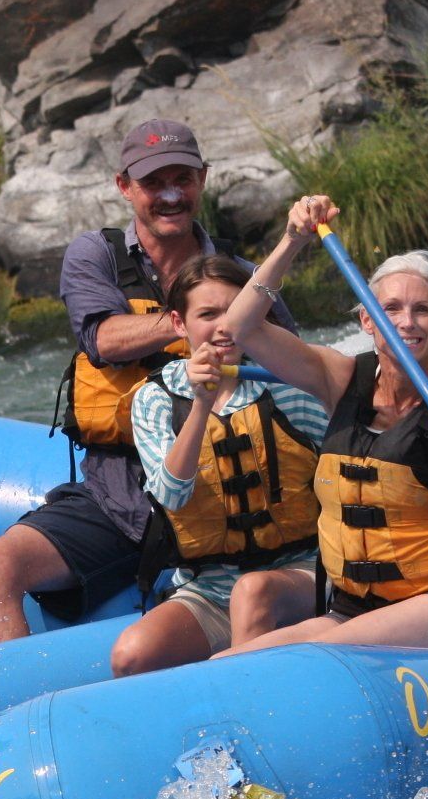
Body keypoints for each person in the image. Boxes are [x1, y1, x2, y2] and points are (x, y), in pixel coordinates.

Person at [0, 117, 302, 645]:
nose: (170, 195)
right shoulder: (95, 255)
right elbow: (102, 339)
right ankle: (7, 719)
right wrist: (203, 320)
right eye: (153, 182)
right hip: (119, 494)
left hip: (221, 493)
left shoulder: (242, 275)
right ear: (124, 186)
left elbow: (296, 371)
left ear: (203, 179)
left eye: (183, 179)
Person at [216, 195, 428, 655]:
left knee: (319, 654)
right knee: (225, 662)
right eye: (392, 309)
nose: (408, 322)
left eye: (422, 310)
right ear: (367, 319)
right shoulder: (340, 379)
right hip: (355, 611)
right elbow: (240, 327)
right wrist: (291, 241)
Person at [110, 253, 329, 676]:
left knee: (254, 591)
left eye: (234, 311)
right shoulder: (155, 398)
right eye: (208, 314)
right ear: (179, 324)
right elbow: (172, 495)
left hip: (300, 574)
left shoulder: (286, 387)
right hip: (208, 589)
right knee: (131, 656)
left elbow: (357, 450)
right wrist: (201, 405)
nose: (223, 326)